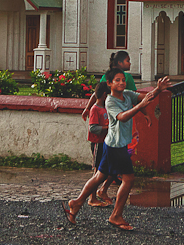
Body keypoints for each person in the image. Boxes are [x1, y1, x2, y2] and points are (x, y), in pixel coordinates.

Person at [65, 69, 172, 231]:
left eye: (123, 80)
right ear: (109, 84)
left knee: (100, 176)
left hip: (112, 144)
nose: (122, 82)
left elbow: (145, 98)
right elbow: (122, 117)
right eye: (117, 80)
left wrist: (158, 89)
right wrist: (140, 107)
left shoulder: (127, 94)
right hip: (116, 146)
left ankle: (77, 203)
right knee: (128, 179)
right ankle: (116, 215)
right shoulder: (110, 101)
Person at [85, 81, 116, 207]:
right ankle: (92, 197)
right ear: (104, 95)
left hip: (107, 142)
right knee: (98, 170)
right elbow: (92, 128)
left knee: (113, 168)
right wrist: (106, 128)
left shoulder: (105, 108)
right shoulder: (95, 109)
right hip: (98, 143)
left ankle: (102, 190)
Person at [81, 51, 135, 121]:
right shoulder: (127, 77)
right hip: (124, 114)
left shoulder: (106, 76)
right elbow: (134, 98)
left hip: (107, 114)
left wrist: (87, 108)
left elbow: (97, 94)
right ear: (120, 62)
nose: (130, 63)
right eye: (127, 61)